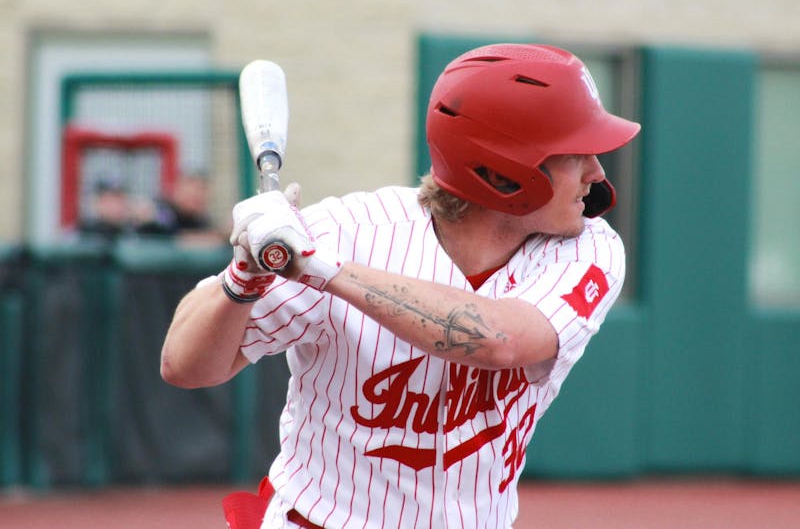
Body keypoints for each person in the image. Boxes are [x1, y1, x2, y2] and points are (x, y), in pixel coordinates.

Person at [161, 43, 640, 529]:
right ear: (503, 170)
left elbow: (500, 340)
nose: (596, 174)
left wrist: (321, 269)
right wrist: (244, 275)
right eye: (576, 156)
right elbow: (184, 365)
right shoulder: (349, 232)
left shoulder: (586, 249)